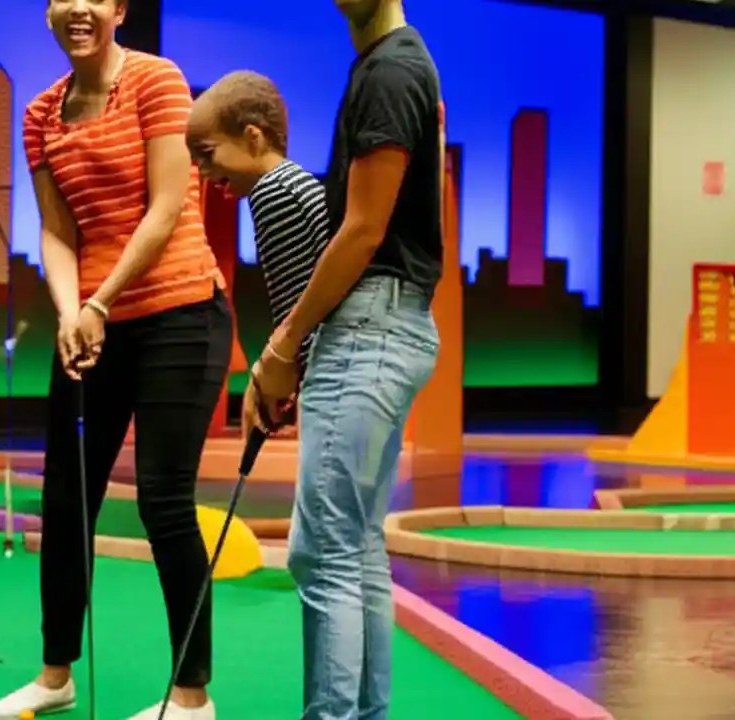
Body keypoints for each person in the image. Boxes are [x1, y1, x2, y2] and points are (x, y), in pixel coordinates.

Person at [0, 2, 231, 719]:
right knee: (65, 502)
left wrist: (101, 301)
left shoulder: (158, 80)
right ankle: (55, 676)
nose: (78, 9)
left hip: (179, 311)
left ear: (119, 9)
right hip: (91, 321)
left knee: (163, 500)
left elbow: (166, 206)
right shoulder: (39, 114)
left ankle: (191, 697)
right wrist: (71, 312)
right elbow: (57, 231)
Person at [247, 1, 444, 718]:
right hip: (389, 323)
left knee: (326, 552)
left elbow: (362, 231)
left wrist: (282, 345)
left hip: (370, 325)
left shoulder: (391, 70)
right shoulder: (393, 62)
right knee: (353, 547)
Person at [186, 70, 330, 370]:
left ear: (253, 137)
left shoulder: (274, 191)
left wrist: (281, 373)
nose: (202, 171)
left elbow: (293, 302)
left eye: (208, 154)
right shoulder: (294, 182)